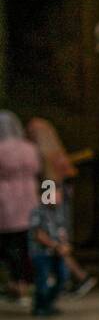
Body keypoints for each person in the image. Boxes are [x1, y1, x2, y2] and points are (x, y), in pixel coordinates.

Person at [27, 117, 94, 297]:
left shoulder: (46, 157)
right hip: (60, 203)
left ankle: (77, 277)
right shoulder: (57, 154)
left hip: (53, 208)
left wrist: (44, 199)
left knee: (55, 244)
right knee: (59, 245)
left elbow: (51, 196)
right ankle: (73, 278)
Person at [0, 111, 39, 302]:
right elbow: (40, 172)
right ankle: (28, 282)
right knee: (26, 244)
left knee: (10, 245)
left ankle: (17, 284)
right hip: (29, 197)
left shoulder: (1, 149)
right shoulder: (29, 148)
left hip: (7, 200)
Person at [28, 180, 71, 317]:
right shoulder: (38, 211)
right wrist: (56, 246)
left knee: (62, 277)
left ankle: (48, 303)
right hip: (41, 252)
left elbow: (62, 231)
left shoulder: (59, 212)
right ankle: (40, 307)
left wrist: (64, 245)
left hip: (56, 252)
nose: (59, 197)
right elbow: (38, 234)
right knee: (43, 279)